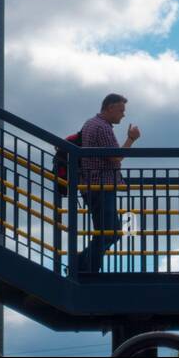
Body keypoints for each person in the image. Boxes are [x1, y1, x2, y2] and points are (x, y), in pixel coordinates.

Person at [76, 93, 140, 274]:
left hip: (93, 186)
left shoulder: (90, 123)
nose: (123, 114)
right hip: (101, 187)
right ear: (110, 107)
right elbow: (116, 157)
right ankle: (84, 266)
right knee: (110, 232)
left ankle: (82, 264)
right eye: (121, 110)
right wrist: (131, 139)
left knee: (107, 231)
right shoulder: (102, 128)